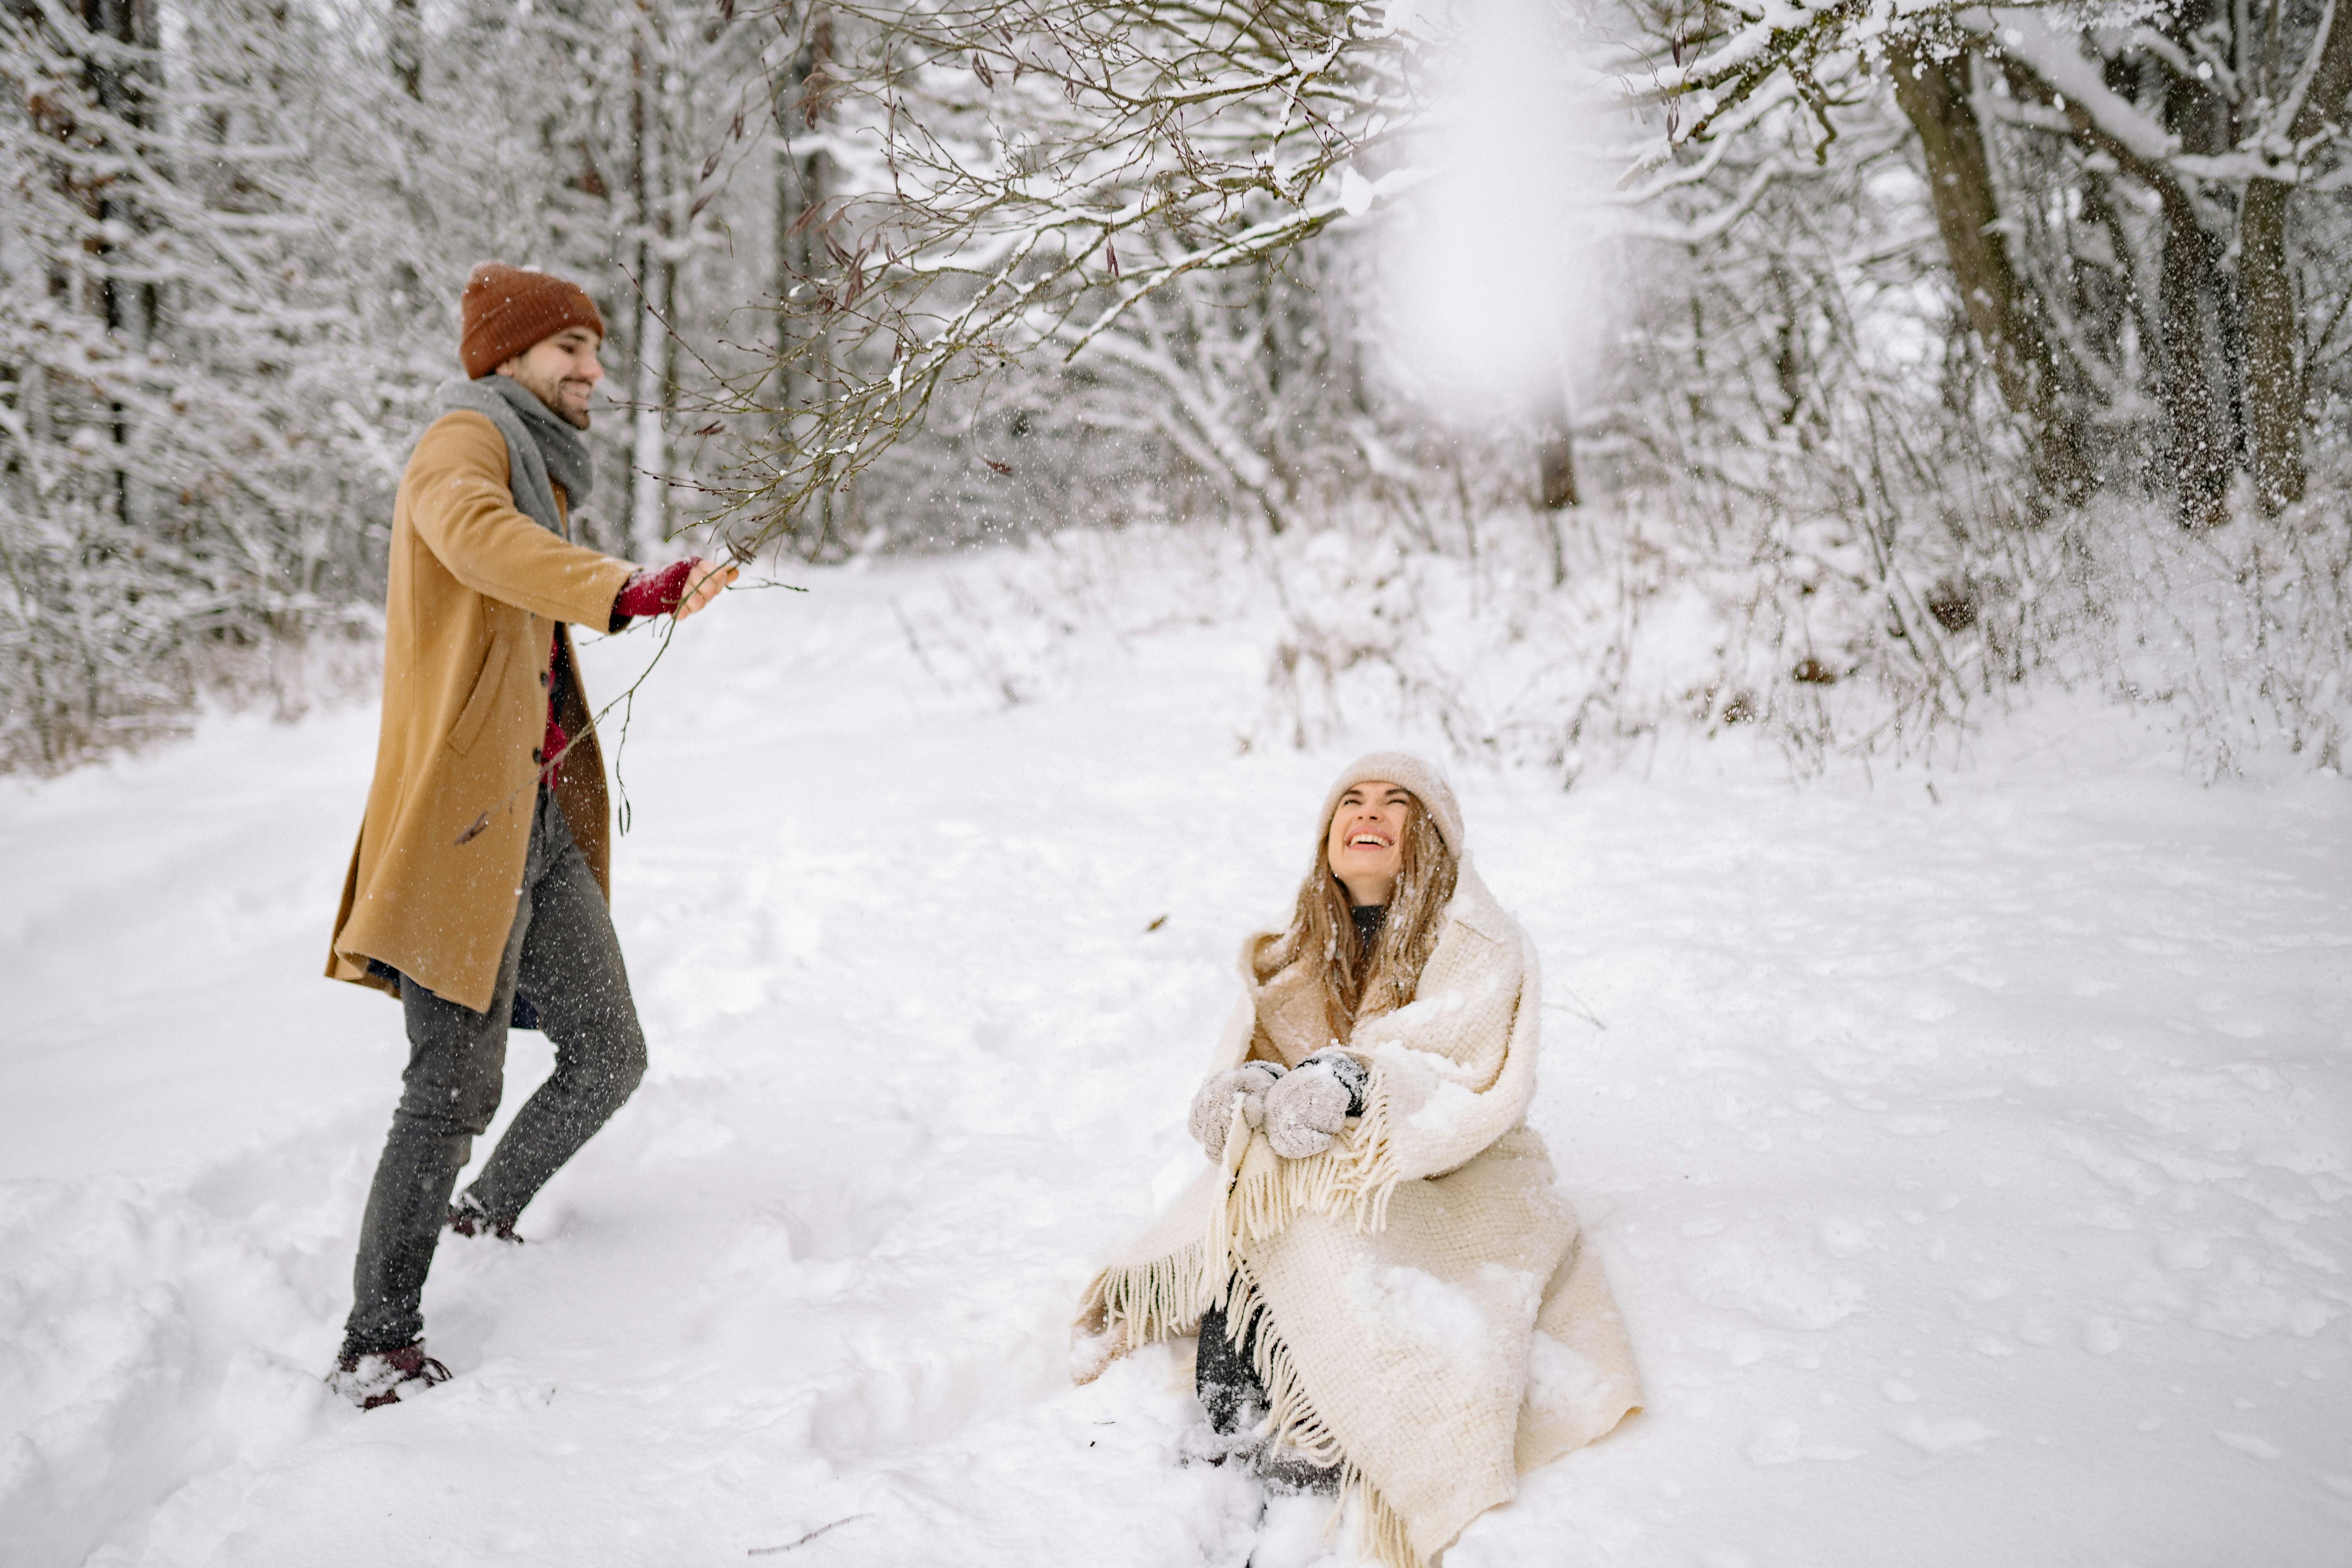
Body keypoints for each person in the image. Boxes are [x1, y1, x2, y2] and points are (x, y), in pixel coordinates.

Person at [321, 263, 738, 1410]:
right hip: (468, 825)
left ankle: (482, 1215)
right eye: (571, 351)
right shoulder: (464, 441)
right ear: (508, 356)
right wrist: (622, 588)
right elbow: (472, 536)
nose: (594, 371)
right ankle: (377, 1339)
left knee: (609, 1055)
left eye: (596, 350)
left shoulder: (530, 454)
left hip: (536, 818)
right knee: (449, 1088)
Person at [1077, 753, 1641, 1568]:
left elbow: (1465, 1072)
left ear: (1433, 834)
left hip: (1454, 1171)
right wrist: (1247, 1089)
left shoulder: (1479, 940)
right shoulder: (1297, 953)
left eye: (1396, 800)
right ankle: (1231, 1418)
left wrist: (1356, 1081)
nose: (1367, 811)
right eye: (1350, 798)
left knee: (1320, 1218)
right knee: (1261, 1194)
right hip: (1338, 1166)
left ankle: (1319, 1428)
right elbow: (1256, 1062)